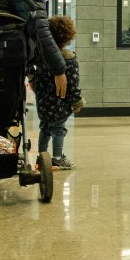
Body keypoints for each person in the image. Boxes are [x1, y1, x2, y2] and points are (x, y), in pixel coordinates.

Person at [29, 15, 84, 169]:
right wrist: (77, 102)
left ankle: (41, 156)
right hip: (59, 103)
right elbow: (72, 84)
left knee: (45, 128)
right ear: (68, 37)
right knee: (58, 130)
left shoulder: (41, 57)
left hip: (43, 103)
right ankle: (57, 158)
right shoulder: (69, 58)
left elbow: (36, 79)